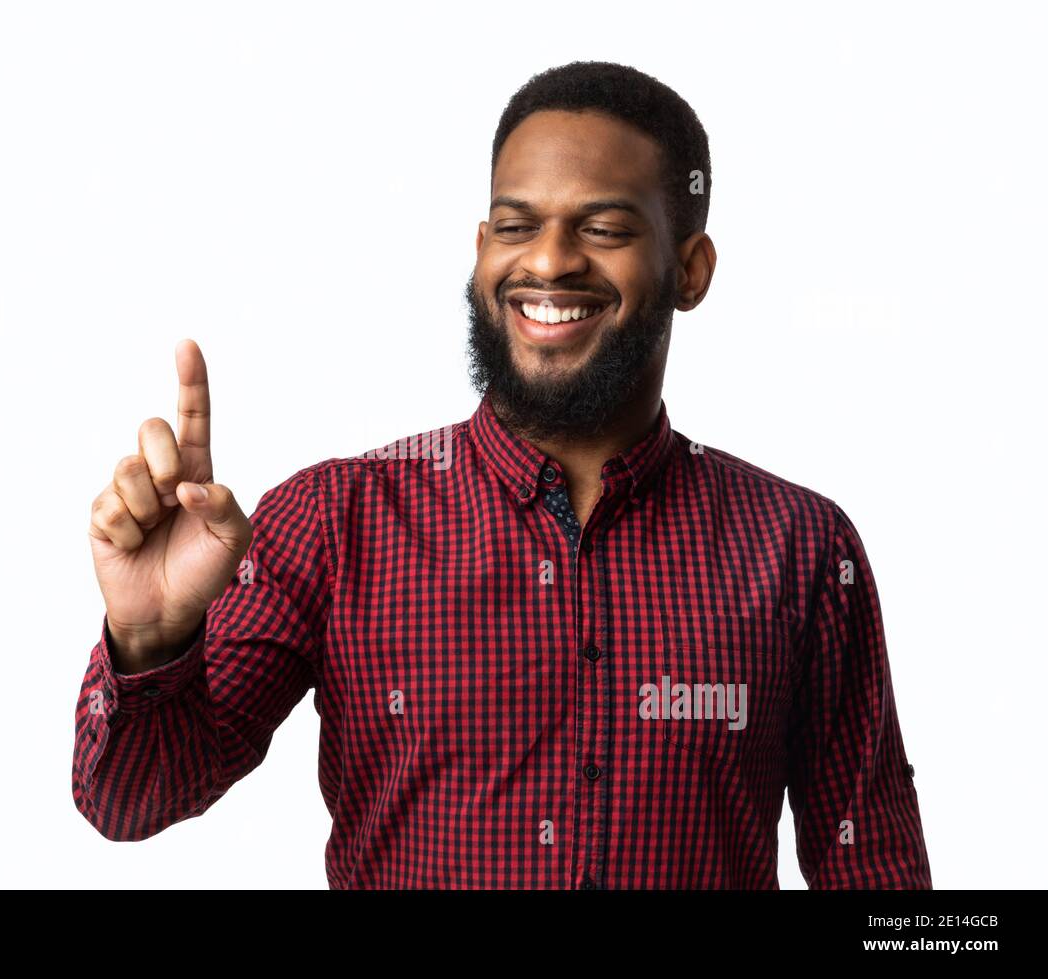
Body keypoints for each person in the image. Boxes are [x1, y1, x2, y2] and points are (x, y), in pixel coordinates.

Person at [72, 60, 931, 889]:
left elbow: (879, 875)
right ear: (483, 250)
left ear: (692, 269)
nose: (549, 262)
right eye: (517, 226)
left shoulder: (803, 547)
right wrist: (148, 639)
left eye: (604, 228)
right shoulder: (334, 518)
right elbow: (129, 799)